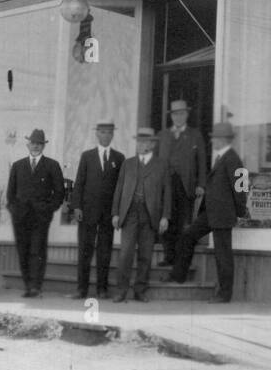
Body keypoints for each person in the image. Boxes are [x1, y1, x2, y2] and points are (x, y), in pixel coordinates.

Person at [167, 121, 248, 303]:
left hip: (223, 214)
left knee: (223, 254)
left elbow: (241, 188)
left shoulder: (233, 159)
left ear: (224, 140)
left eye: (216, 138)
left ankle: (224, 294)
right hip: (211, 212)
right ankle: (179, 275)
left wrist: (240, 212)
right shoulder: (222, 157)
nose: (213, 141)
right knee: (188, 236)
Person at [111, 129, 170, 303]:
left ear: (152, 144)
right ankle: (121, 291)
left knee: (146, 254)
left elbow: (167, 193)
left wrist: (165, 216)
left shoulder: (161, 165)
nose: (141, 145)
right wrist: (115, 213)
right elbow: (119, 190)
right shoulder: (128, 164)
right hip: (129, 214)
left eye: (145, 142)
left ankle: (140, 290)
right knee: (125, 253)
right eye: (139, 142)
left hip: (150, 214)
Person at [6, 129, 65, 298]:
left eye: (39, 144)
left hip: (41, 216)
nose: (36, 146)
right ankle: (27, 285)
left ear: (43, 146)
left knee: (37, 251)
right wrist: (14, 210)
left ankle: (36, 286)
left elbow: (59, 192)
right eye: (33, 143)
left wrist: (49, 209)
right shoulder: (18, 166)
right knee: (23, 250)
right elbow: (11, 193)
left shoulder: (52, 165)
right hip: (20, 217)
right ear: (28, 144)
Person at [69, 122, 124, 299]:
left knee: (105, 251)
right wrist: (77, 206)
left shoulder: (119, 158)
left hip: (108, 213)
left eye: (109, 133)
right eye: (102, 132)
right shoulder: (87, 156)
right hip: (87, 211)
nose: (106, 135)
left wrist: (117, 212)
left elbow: (120, 188)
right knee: (85, 250)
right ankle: (81, 289)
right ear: (97, 135)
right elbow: (79, 183)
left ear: (112, 135)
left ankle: (102, 289)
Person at [157, 99, 206, 266]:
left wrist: (201, 184)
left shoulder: (195, 135)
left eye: (181, 114)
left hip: (186, 184)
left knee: (183, 221)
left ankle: (180, 258)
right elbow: (155, 162)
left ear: (187, 115)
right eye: (175, 114)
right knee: (166, 219)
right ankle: (168, 256)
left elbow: (201, 161)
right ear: (171, 116)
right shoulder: (162, 135)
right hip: (166, 185)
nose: (178, 117)